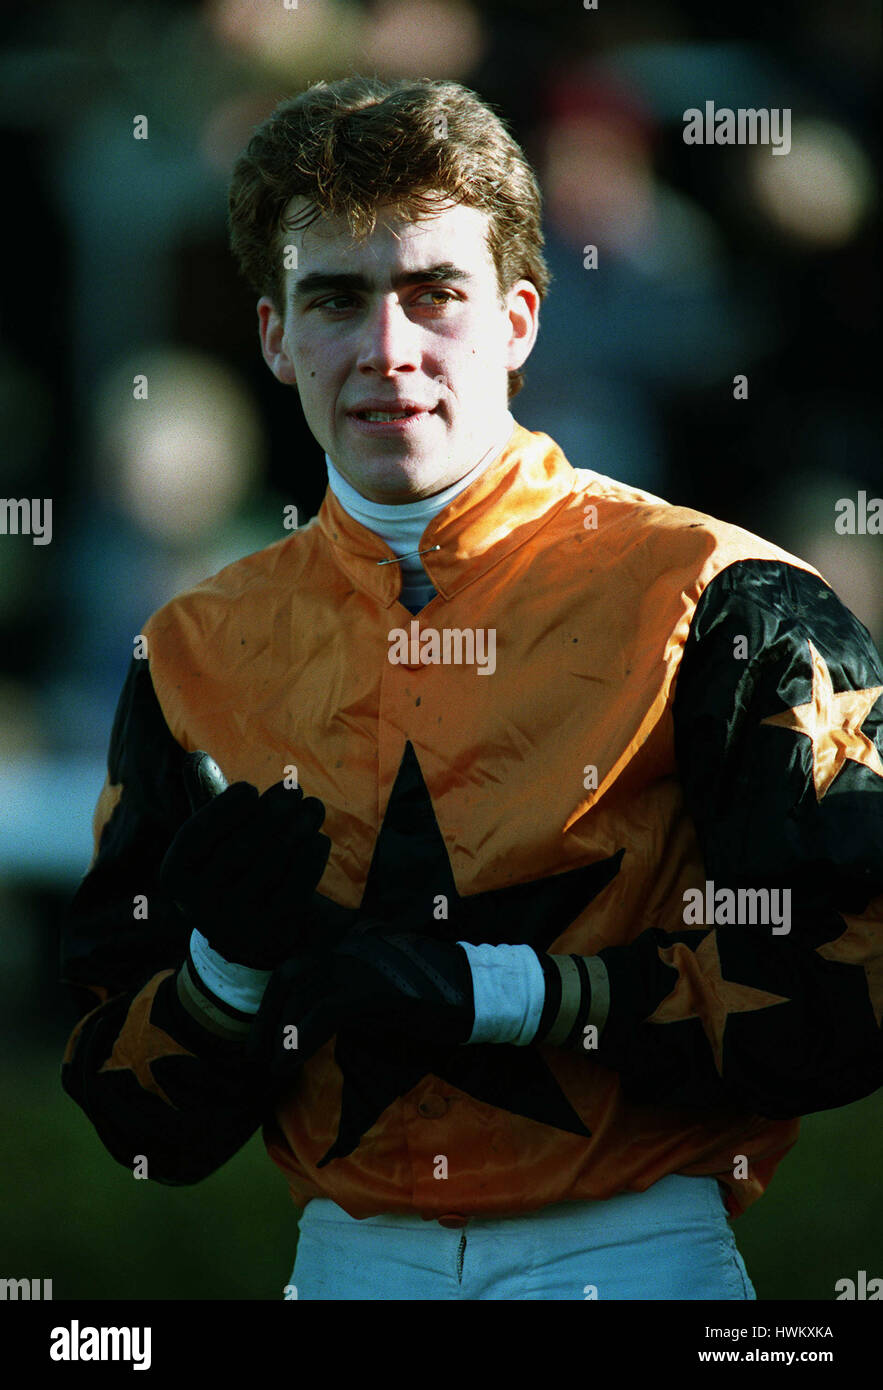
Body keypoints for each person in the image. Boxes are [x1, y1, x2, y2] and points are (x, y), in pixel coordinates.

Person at [60, 76, 883, 1301]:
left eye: (432, 292)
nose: (387, 350)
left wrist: (516, 994)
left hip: (635, 1255)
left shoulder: (724, 599)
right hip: (341, 1262)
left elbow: (852, 982)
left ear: (517, 320)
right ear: (277, 338)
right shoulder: (190, 650)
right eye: (336, 297)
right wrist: (224, 978)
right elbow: (140, 1132)